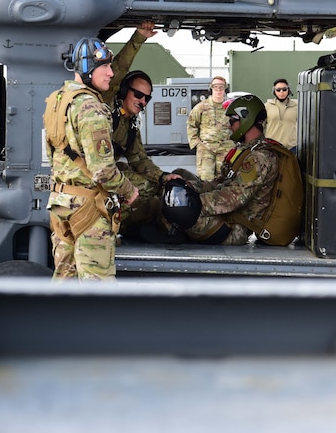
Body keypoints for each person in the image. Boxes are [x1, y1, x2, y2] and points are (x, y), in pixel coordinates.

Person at [44, 37, 138, 280]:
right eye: (104, 67)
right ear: (87, 69)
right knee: (98, 290)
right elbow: (103, 171)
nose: (111, 73)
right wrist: (129, 190)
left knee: (64, 282)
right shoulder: (91, 108)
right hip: (88, 209)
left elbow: (53, 156)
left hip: (60, 204)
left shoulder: (57, 101)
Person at [167, 94, 303, 246]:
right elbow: (222, 182)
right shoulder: (245, 150)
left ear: (246, 120)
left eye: (232, 120)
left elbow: (235, 197)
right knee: (178, 176)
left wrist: (193, 203)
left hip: (235, 228)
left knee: (179, 212)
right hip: (226, 214)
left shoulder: (259, 157)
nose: (228, 125)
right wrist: (192, 187)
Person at [111, 69, 181, 240]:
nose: (142, 101)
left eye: (147, 98)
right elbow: (121, 65)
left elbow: (138, 159)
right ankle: (107, 225)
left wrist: (162, 177)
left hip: (109, 172)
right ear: (123, 91)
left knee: (156, 185)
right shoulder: (106, 114)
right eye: (138, 95)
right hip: (94, 173)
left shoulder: (131, 124)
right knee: (145, 186)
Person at [186, 76, 233, 180]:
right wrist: (196, 143)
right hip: (206, 148)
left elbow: (238, 125)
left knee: (225, 179)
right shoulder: (201, 107)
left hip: (226, 147)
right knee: (206, 180)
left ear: (225, 88)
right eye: (215, 86)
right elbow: (191, 124)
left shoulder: (230, 107)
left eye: (221, 87)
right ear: (211, 88)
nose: (218, 90)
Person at [264, 77, 299, 149]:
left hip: (291, 148)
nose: (281, 92)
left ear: (288, 90)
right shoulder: (267, 106)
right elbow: (261, 127)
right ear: (274, 91)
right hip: (271, 147)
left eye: (284, 89)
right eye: (278, 90)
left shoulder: (296, 106)